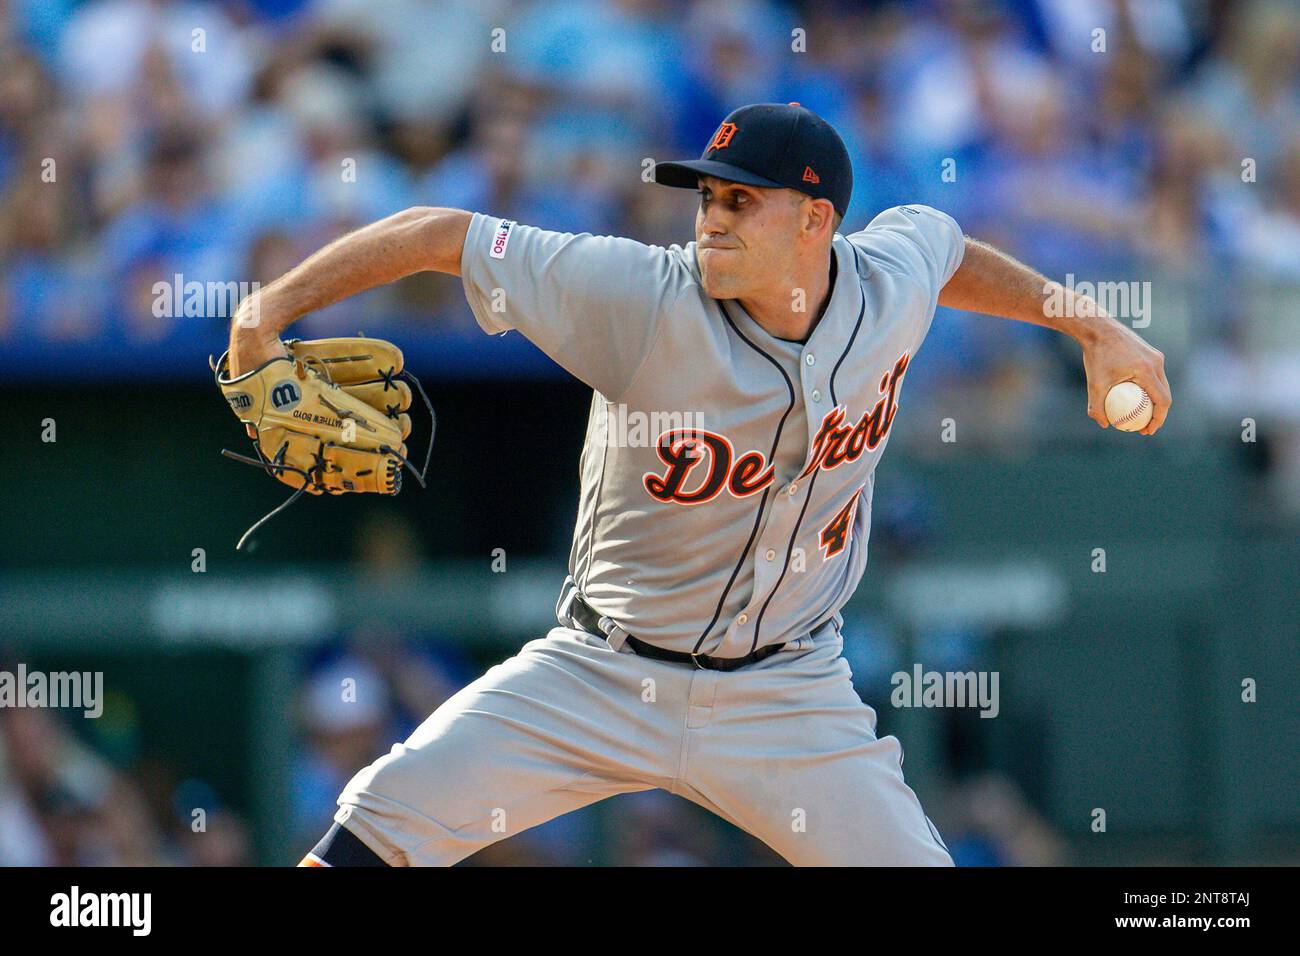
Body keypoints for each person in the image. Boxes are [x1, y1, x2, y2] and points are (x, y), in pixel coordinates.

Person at [226, 103, 1170, 866]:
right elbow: (437, 233)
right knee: (374, 835)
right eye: (706, 196)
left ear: (816, 221)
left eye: (740, 201)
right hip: (603, 672)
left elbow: (947, 249)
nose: (711, 217)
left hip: (790, 692)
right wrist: (267, 312)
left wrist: (1091, 326)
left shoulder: (887, 283)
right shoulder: (635, 294)